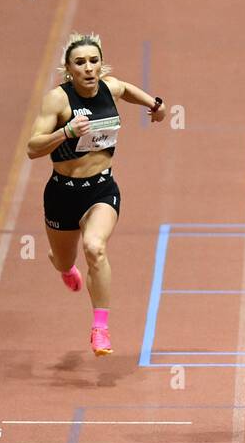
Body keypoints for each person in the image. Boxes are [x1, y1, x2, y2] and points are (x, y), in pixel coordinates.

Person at [27, 33, 166, 355]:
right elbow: (32, 148)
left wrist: (155, 105)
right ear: (68, 69)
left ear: (100, 65)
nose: (88, 68)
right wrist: (66, 132)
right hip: (62, 194)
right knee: (65, 258)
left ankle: (100, 329)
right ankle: (63, 266)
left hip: (101, 189)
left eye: (93, 61)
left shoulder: (110, 87)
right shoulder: (57, 101)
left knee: (95, 247)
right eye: (80, 63)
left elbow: (127, 89)